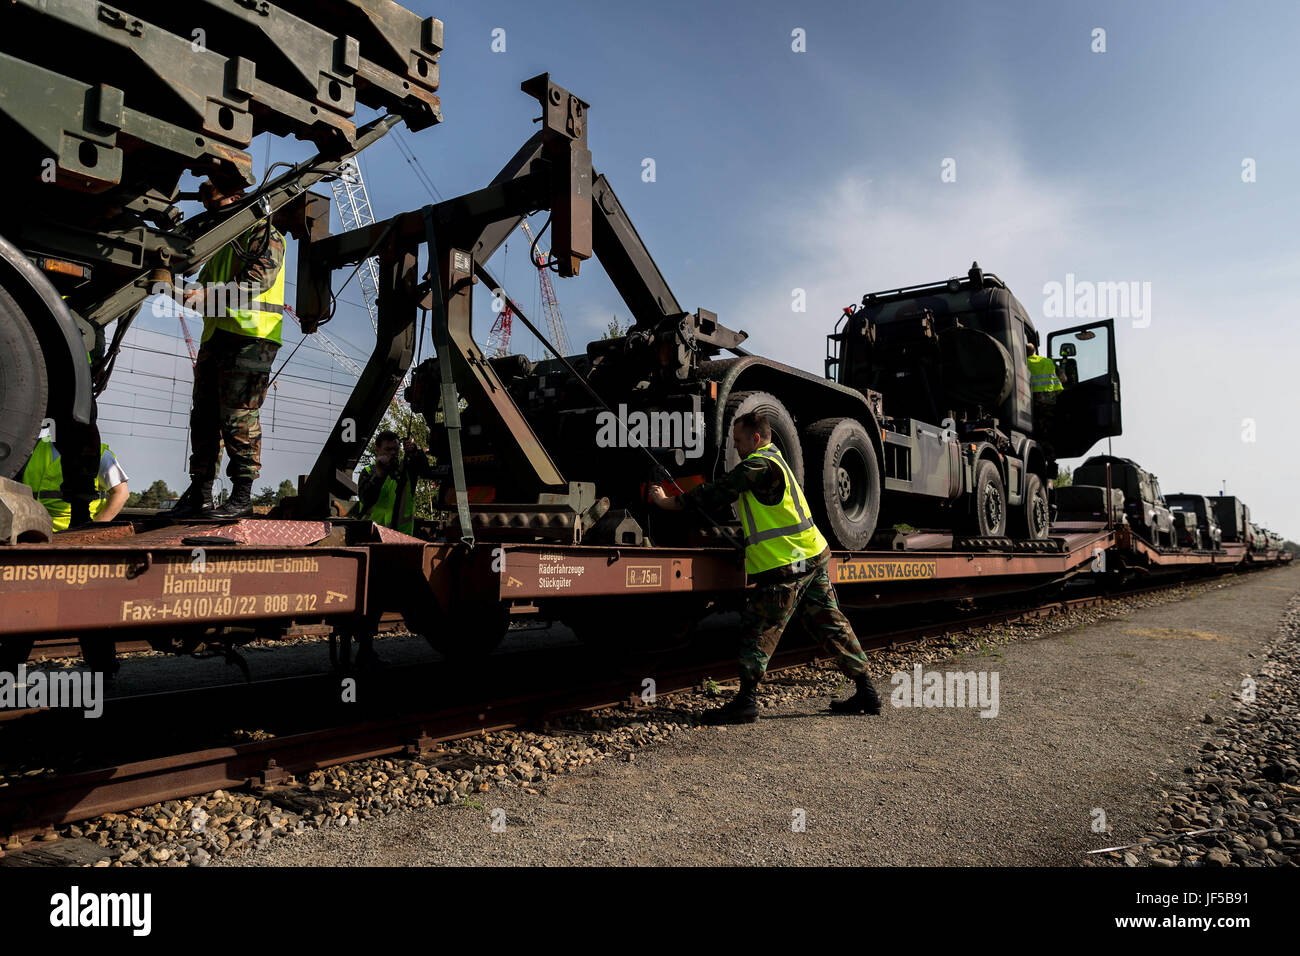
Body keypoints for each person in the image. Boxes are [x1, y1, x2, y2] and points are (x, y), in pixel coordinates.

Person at [648, 411, 882, 723]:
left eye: (739, 440)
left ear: (755, 438)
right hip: (812, 554)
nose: (736, 446)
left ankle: (746, 702)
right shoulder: (777, 460)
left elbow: (717, 493)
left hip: (789, 563)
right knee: (830, 623)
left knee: (756, 628)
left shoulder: (758, 465)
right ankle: (867, 691)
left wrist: (667, 501)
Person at [168, 178, 286, 519]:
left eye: (216, 202)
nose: (211, 211)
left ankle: (242, 496)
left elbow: (257, 281)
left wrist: (206, 296)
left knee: (238, 417)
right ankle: (200, 494)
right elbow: (201, 294)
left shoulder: (264, 234)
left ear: (237, 196)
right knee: (204, 418)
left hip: (252, 338)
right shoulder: (223, 242)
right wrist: (170, 289)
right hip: (217, 337)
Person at [21, 435, 129, 532]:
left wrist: (93, 530)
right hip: (33, 531)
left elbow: (121, 493)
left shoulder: (100, 454)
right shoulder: (33, 447)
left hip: (72, 534)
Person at [356, 430, 435, 535]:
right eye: (388, 449)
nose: (393, 453)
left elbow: (425, 472)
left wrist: (414, 452)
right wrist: (379, 475)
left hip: (401, 538)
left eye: (396, 449)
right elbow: (366, 499)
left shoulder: (406, 470)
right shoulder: (368, 472)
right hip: (371, 536)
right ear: (377, 449)